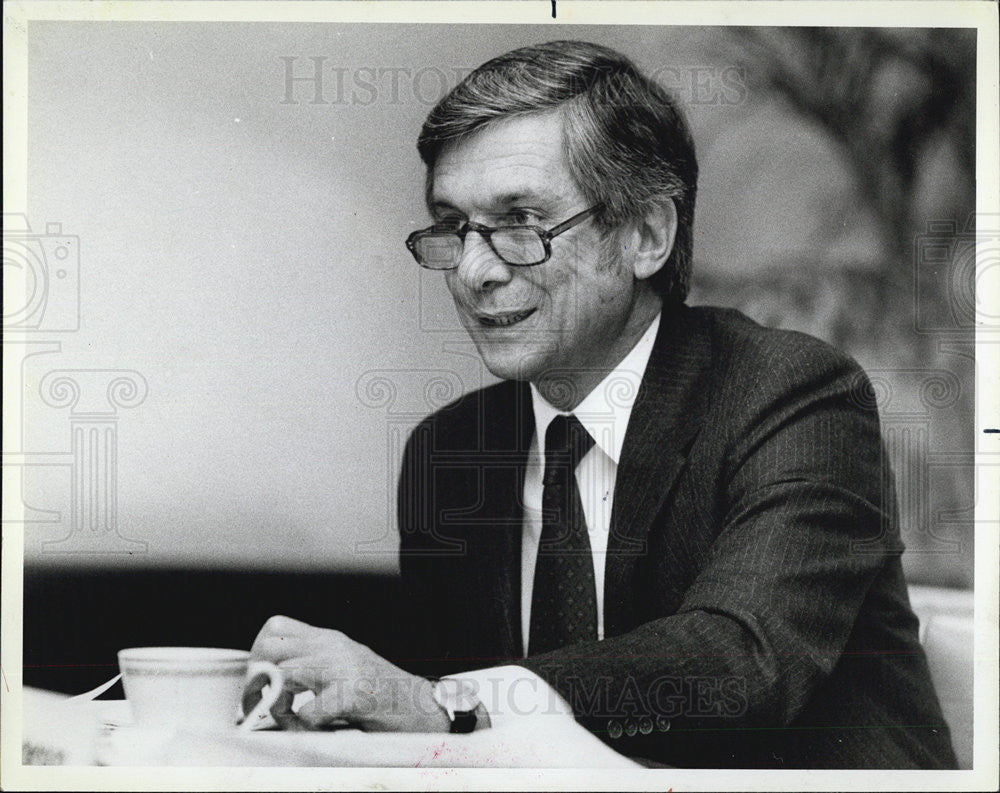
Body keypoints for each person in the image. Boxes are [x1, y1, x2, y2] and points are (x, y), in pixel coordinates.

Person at [246, 40, 957, 769]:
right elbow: (449, 749)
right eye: (453, 227)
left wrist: (454, 703)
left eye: (521, 222)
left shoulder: (791, 395)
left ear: (647, 235)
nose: (474, 271)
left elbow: (742, 661)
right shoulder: (450, 453)